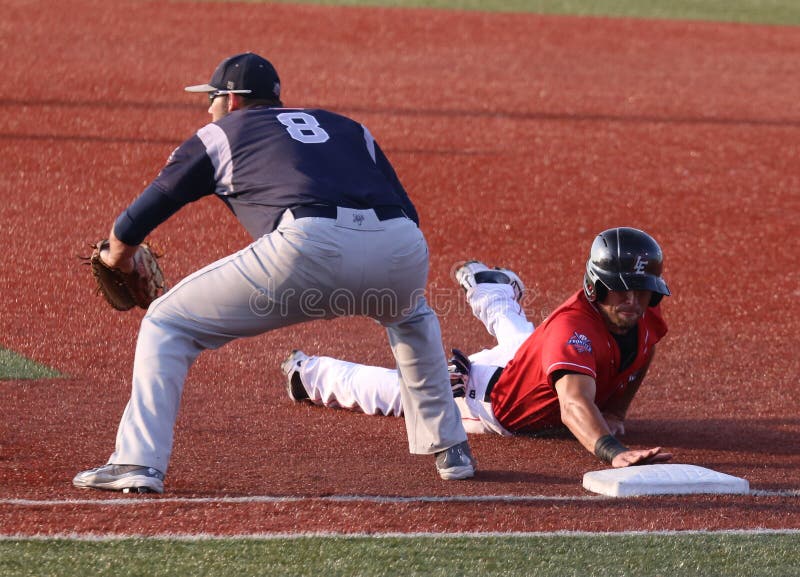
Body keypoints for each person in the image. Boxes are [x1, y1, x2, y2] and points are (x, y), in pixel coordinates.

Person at [73, 52, 475, 494]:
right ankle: (451, 448)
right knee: (412, 319)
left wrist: (118, 257)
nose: (208, 108)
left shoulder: (221, 133)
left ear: (232, 99)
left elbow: (144, 212)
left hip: (309, 248)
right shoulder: (347, 127)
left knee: (166, 323)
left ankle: (137, 462)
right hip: (399, 246)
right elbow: (409, 212)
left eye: (212, 98)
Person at [282, 227, 673, 468]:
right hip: (488, 398)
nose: (633, 302)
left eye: (643, 292)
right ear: (596, 286)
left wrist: (617, 409)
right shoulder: (573, 330)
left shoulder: (642, 319)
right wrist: (611, 450)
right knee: (404, 395)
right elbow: (573, 406)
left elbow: (645, 348)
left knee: (523, 341)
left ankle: (490, 286)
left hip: (527, 365)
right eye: (621, 289)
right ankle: (309, 374)